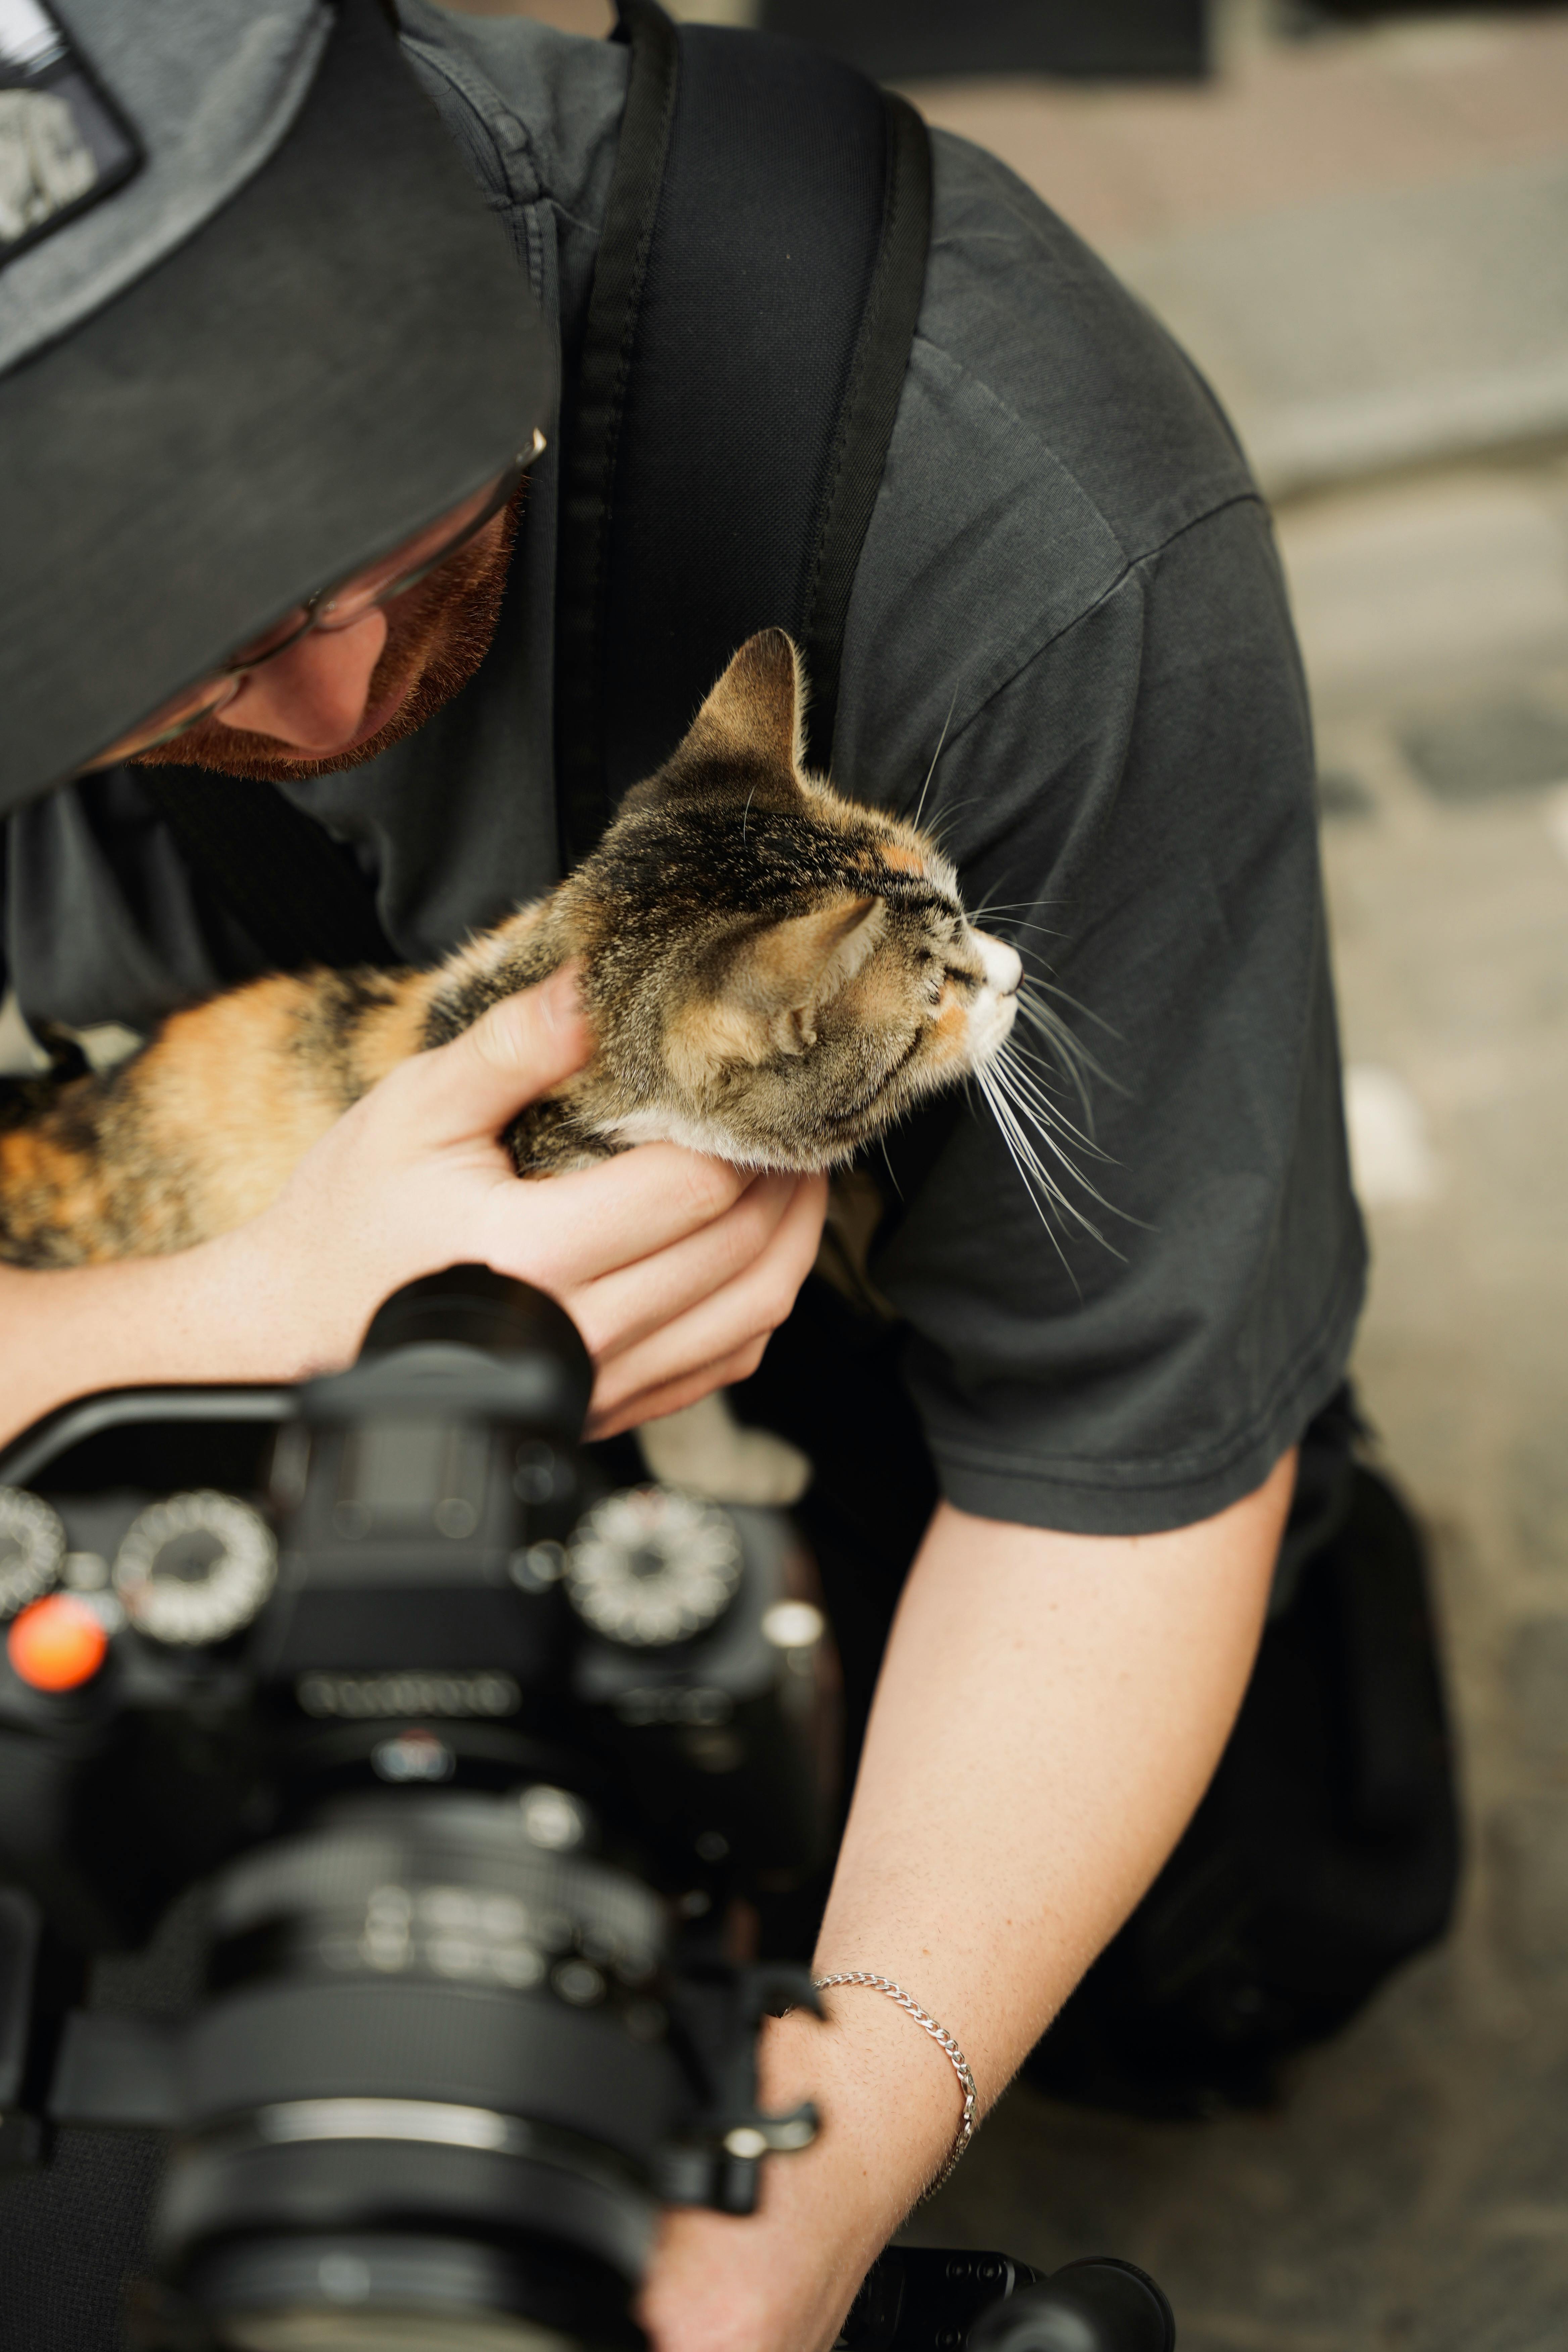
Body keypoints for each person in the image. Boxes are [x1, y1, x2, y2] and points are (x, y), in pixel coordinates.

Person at [0, 2, 1363, 2347]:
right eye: (141, 645)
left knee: (1217, 1898)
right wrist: (219, 1331)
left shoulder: (1015, 526)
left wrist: (820, 2181)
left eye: (385, 516)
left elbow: (1113, 1474)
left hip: (898, 1416)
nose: (320, 706)